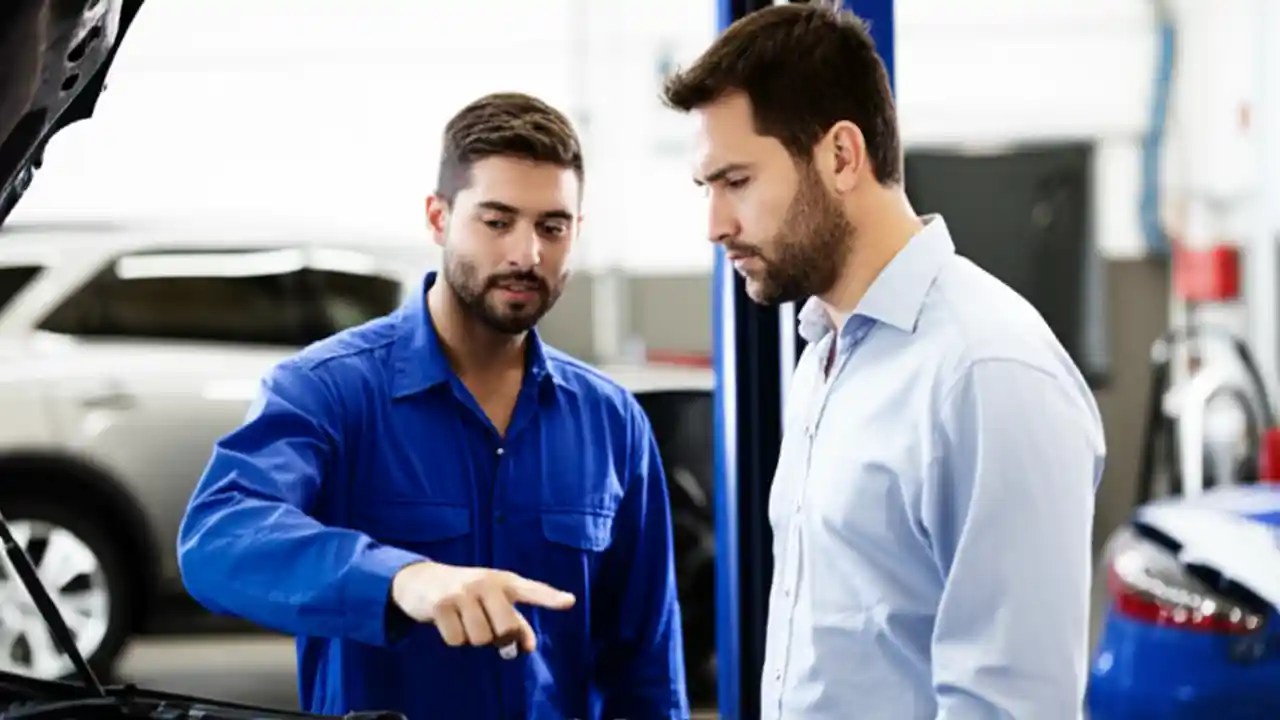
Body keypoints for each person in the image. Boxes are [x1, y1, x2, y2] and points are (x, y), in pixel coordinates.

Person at [177, 91, 690, 720]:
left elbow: (645, 670)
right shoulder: (329, 390)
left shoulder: (613, 423)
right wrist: (402, 580)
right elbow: (216, 540)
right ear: (438, 218)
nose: (526, 255)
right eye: (497, 221)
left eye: (551, 227)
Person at [663, 4, 1104, 719]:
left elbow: (1010, 704)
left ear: (841, 155)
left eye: (736, 181)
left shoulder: (986, 372)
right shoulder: (826, 355)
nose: (715, 225)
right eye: (705, 187)